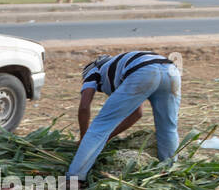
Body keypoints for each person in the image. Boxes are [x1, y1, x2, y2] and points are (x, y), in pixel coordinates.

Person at [66, 51, 181, 182]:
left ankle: (74, 178)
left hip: (143, 71)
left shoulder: (93, 70)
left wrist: (84, 138)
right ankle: (169, 172)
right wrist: (107, 137)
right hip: (171, 70)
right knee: (168, 128)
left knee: (100, 126)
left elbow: (84, 107)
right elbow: (137, 113)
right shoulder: (119, 65)